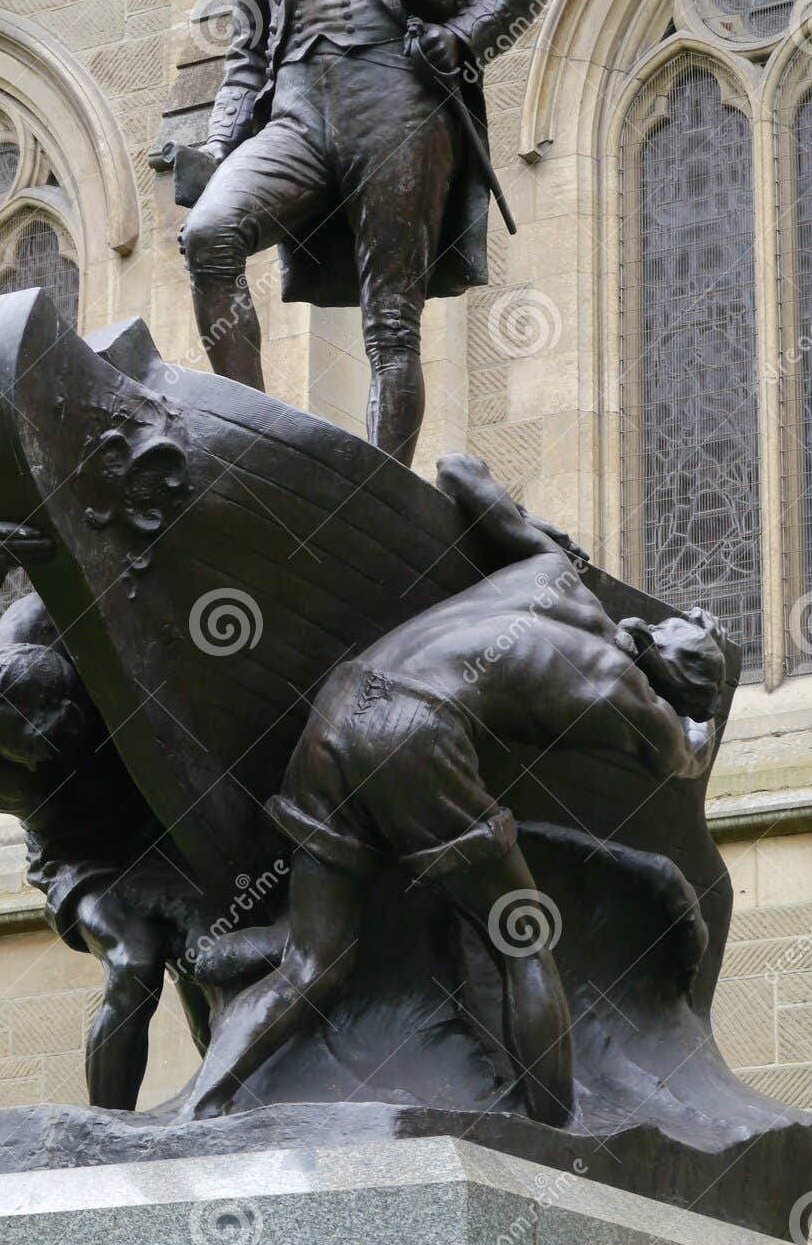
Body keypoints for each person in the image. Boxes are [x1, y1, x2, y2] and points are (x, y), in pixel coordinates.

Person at [182, 456, 726, 1123]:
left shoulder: (557, 577)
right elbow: (686, 758)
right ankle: (551, 1133)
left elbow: (459, 471)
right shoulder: (632, 700)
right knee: (522, 942)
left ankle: (200, 1111)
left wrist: (539, 529)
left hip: (341, 702)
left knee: (311, 962)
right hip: (416, 729)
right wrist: (697, 717)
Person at [180, 0, 549, 465]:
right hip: (295, 111)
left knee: (390, 321)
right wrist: (220, 141)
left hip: (395, 100)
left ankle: (383, 492)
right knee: (208, 236)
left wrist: (462, 36)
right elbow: (248, 48)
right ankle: (254, 441)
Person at [0, 520, 210, 1110]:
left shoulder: (43, 622)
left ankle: (224, 1094)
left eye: (73, 712)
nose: (72, 735)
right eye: (53, 742)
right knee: (137, 959)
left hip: (167, 823)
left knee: (210, 955)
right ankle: (105, 1132)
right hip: (85, 861)